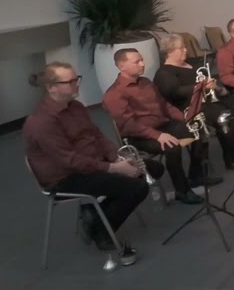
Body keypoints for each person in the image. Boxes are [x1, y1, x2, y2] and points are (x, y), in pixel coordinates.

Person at [24, 62, 146, 261]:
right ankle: (101, 231)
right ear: (51, 87)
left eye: (76, 79)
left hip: (88, 163)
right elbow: (69, 161)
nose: (76, 85)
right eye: (70, 82)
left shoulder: (76, 107)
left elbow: (96, 134)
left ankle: (93, 213)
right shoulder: (41, 122)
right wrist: (114, 168)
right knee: (136, 187)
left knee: (146, 169)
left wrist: (116, 156)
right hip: (64, 177)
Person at [101, 48, 206, 205]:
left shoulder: (146, 82)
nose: (142, 64)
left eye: (142, 59)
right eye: (137, 62)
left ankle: (195, 175)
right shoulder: (114, 94)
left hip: (162, 126)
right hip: (139, 136)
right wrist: (157, 135)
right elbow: (129, 125)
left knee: (198, 128)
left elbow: (164, 105)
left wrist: (185, 118)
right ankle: (182, 191)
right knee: (172, 146)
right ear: (121, 66)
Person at [154, 34, 234, 172]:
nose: (185, 50)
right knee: (223, 117)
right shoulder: (164, 72)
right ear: (169, 52)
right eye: (181, 48)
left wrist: (216, 87)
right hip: (190, 107)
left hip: (206, 101)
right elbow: (174, 91)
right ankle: (231, 159)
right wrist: (201, 86)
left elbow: (204, 80)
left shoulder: (190, 64)